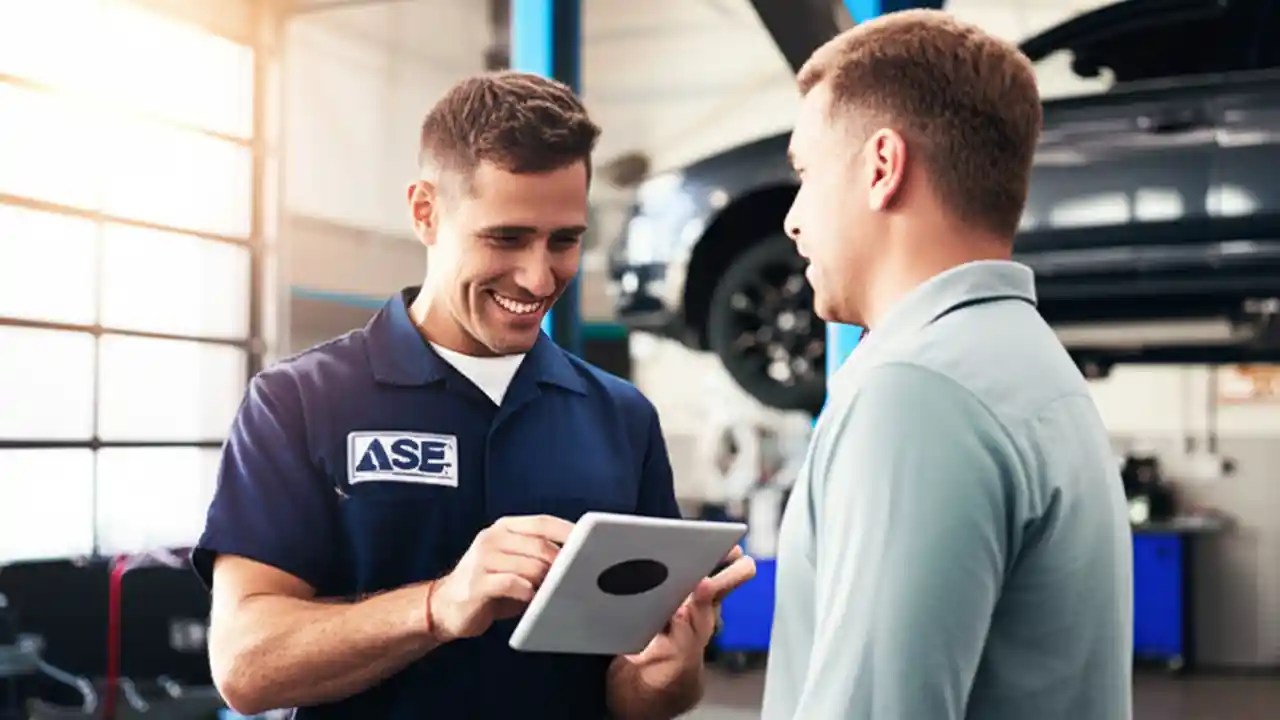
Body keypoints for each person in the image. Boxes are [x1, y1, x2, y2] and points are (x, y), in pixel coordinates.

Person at [194, 71, 755, 720]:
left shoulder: (620, 418)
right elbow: (245, 667)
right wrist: (439, 605)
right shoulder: (298, 403)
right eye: (506, 237)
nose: (539, 276)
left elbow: (636, 700)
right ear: (426, 212)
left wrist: (667, 673)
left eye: (565, 240)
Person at [760, 10, 1132, 720]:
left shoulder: (918, 394)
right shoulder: (1027, 365)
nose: (793, 218)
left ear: (881, 167)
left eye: (805, 174)